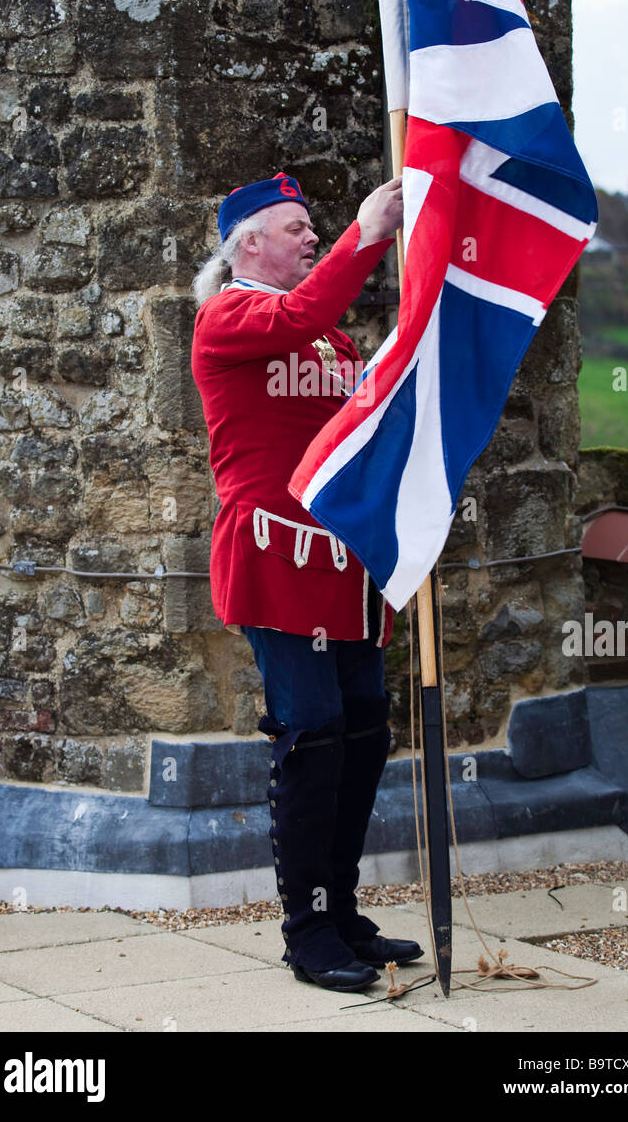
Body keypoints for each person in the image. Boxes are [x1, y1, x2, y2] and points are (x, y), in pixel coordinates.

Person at [190, 170, 423, 992]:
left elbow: (356, 418)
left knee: (365, 735)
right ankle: (307, 930)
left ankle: (344, 915)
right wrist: (370, 232)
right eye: (297, 227)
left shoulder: (331, 342)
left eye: (317, 228)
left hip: (343, 570)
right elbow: (303, 311)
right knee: (314, 737)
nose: (312, 236)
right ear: (250, 241)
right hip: (277, 562)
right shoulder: (231, 314)